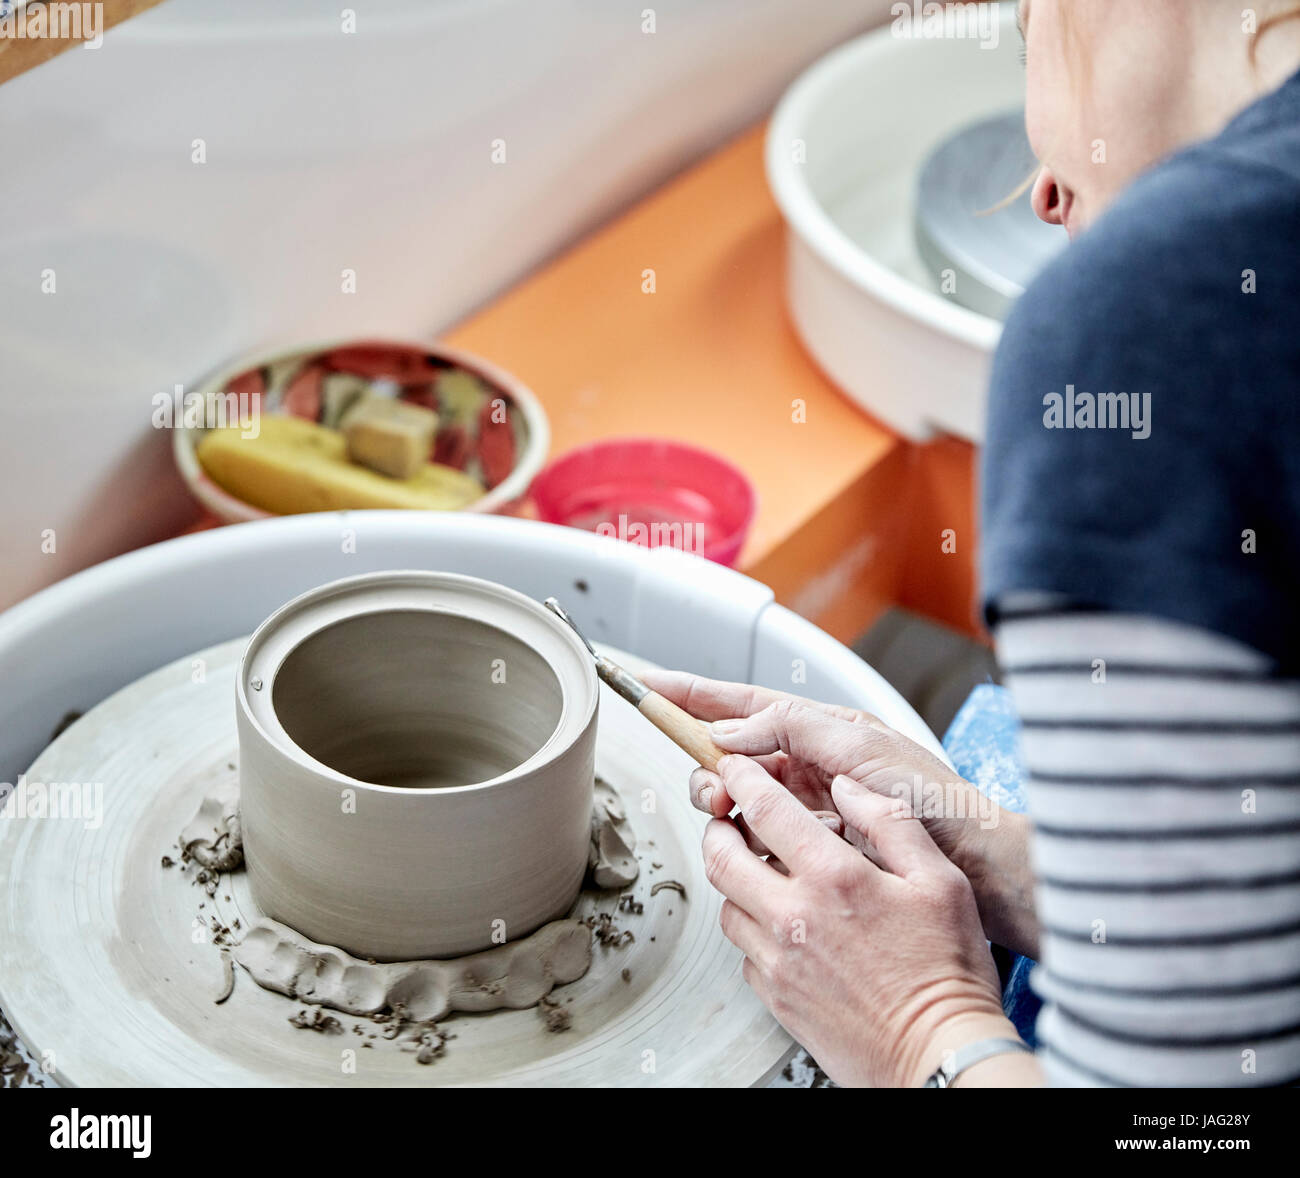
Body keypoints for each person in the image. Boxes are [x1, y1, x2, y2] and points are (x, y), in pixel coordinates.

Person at [643, 0, 1300, 1087]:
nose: (1041, 197)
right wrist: (998, 858)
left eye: (1027, 27)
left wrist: (914, 1026)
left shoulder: (1164, 314)